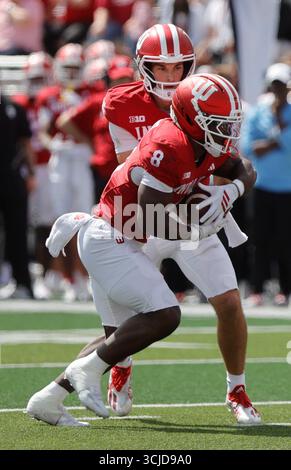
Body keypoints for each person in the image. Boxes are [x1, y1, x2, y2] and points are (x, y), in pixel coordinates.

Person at [27, 71, 261, 426]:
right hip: (113, 236)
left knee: (124, 335)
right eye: (219, 124)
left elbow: (242, 166)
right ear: (192, 121)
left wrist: (233, 190)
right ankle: (86, 372)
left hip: (128, 235)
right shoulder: (169, 145)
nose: (227, 133)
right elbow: (150, 217)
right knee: (164, 315)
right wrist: (197, 228)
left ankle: (48, 398)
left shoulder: (201, 141)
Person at [241, 62, 291, 307]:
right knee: (259, 239)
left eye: (281, 85)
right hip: (262, 186)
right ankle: (257, 289)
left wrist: (271, 139)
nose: (278, 90)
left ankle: (285, 290)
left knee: (286, 240)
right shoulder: (258, 111)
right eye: (274, 85)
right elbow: (249, 147)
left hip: (287, 188)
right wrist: (278, 137)